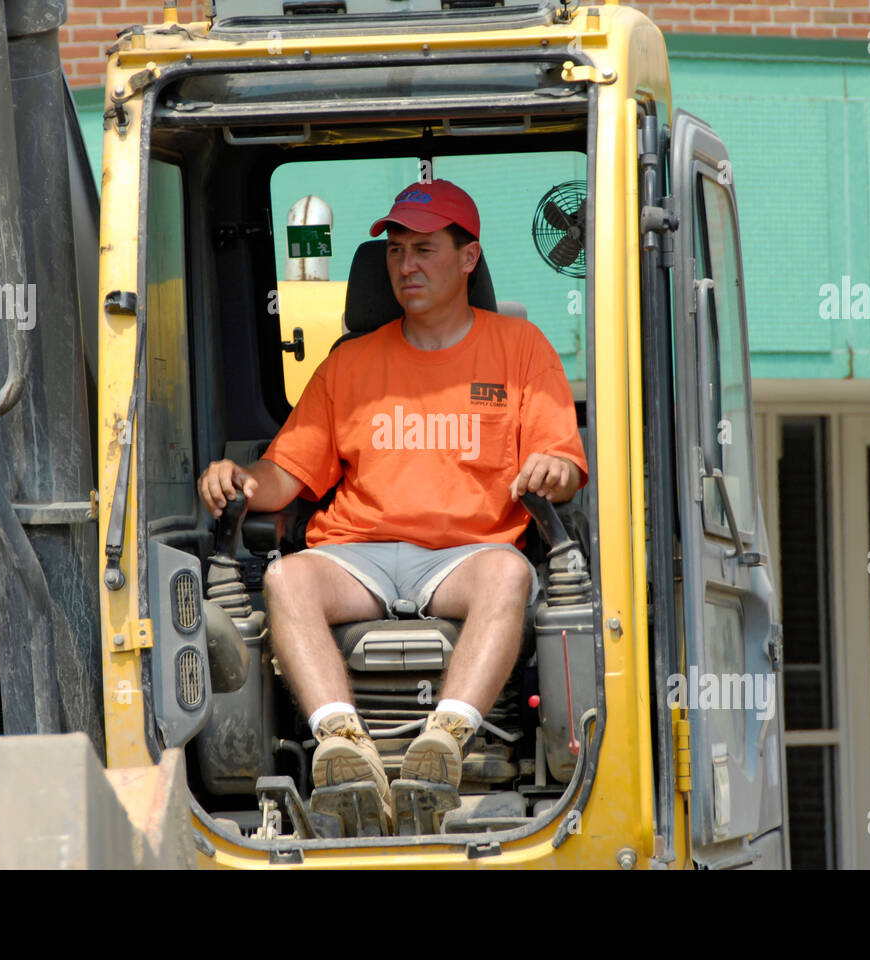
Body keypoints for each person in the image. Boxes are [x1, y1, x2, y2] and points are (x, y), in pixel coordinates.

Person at [197, 178, 587, 817]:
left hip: (468, 555)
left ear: (468, 259)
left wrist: (551, 467)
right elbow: (283, 477)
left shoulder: (522, 351)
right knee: (288, 578)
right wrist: (236, 480)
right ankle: (340, 743)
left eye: (425, 249)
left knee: (511, 573)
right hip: (360, 555)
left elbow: (566, 470)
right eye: (396, 250)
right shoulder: (348, 364)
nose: (406, 265)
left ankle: (445, 740)